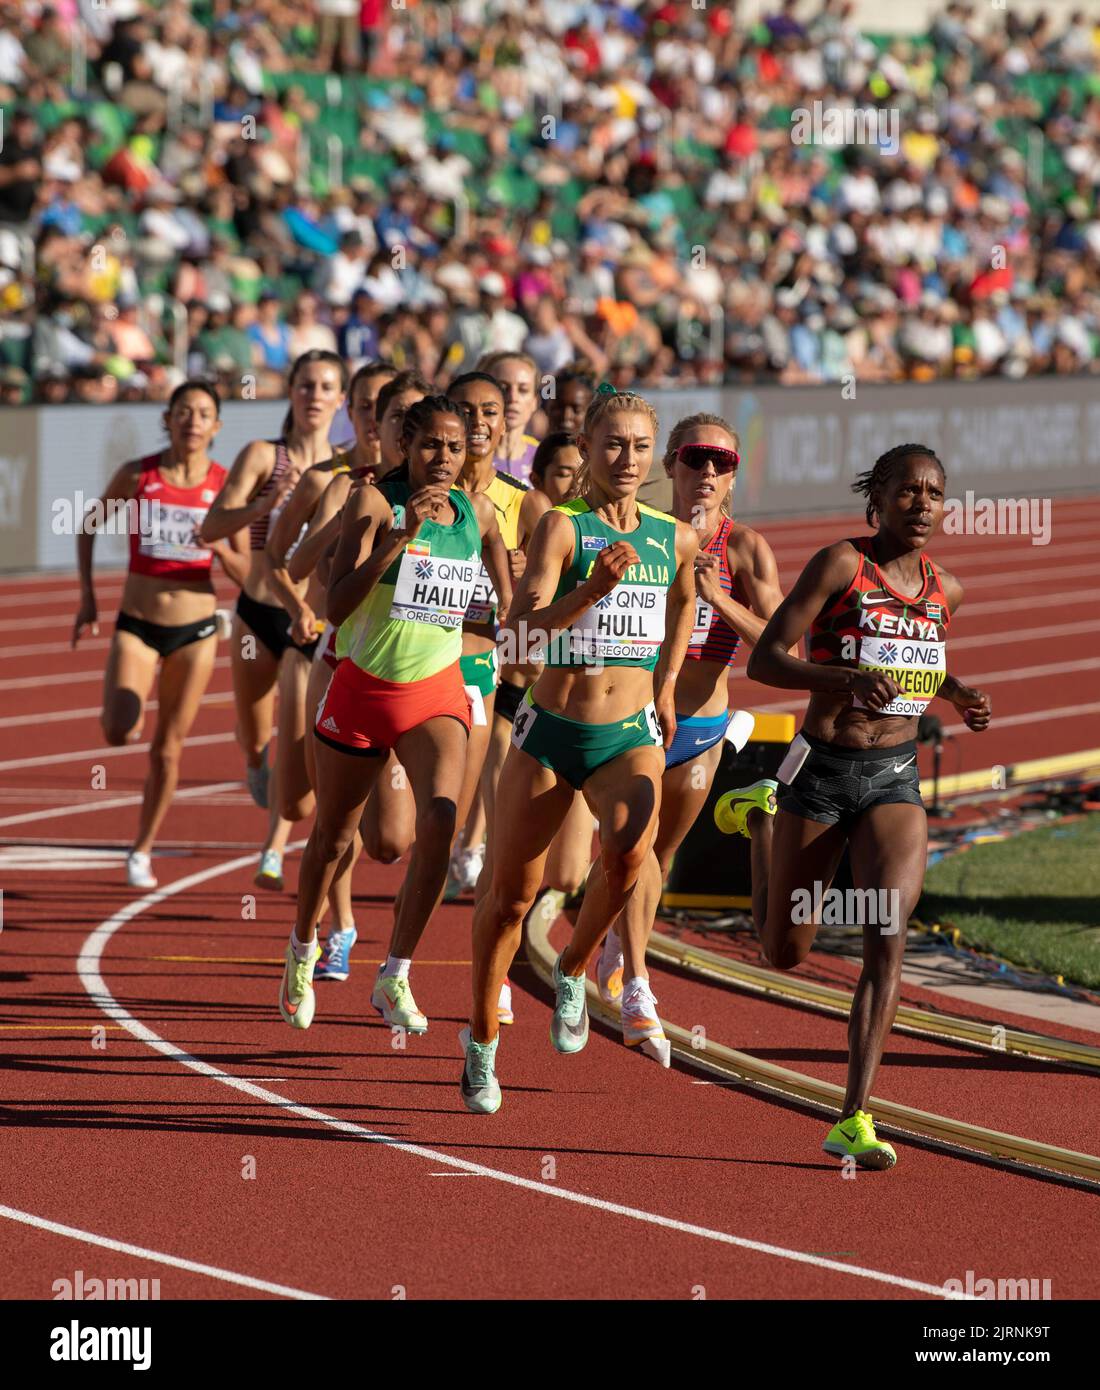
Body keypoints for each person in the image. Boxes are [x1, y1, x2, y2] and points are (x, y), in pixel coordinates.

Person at [743, 443, 992, 1169]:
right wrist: (843, 678)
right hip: (818, 771)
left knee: (888, 920)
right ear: (877, 498)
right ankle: (760, 819)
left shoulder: (949, 589)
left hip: (893, 777)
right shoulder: (841, 565)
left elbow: (923, 659)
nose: (922, 503)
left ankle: (854, 1115)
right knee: (783, 952)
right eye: (907, 490)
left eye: (934, 493)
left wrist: (958, 694)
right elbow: (765, 660)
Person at [461, 387, 697, 1113]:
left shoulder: (672, 535)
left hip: (628, 735)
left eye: (638, 446)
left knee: (630, 856)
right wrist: (593, 590)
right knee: (510, 898)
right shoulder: (564, 528)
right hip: (552, 730)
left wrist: (668, 683)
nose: (626, 459)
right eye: (613, 445)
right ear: (589, 450)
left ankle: (573, 965)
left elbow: (687, 599)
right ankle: (480, 1043)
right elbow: (518, 635)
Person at [278, 395, 511, 1035]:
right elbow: (341, 605)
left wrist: (514, 599)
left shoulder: (480, 511)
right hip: (363, 689)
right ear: (405, 444)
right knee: (333, 836)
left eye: (456, 447)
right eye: (431, 444)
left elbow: (503, 597)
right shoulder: (374, 503)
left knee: (441, 817)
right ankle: (301, 948)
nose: (443, 458)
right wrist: (398, 540)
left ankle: (395, 971)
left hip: (435, 691)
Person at [595, 413, 784, 1064]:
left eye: (722, 462)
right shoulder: (640, 535)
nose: (707, 472)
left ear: (733, 476)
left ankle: (619, 947)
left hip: (701, 723)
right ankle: (638, 987)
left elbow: (783, 649)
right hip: (632, 719)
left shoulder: (746, 549)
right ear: (670, 465)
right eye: (696, 459)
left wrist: (719, 599)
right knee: (631, 847)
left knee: (660, 855)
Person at [72, 381, 247, 887]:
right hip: (137, 624)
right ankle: (126, 717)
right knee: (119, 729)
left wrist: (215, 547)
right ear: (167, 419)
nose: (193, 421)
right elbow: (88, 527)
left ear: (216, 427)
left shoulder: (224, 485)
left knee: (168, 749)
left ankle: (141, 848)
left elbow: (245, 571)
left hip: (194, 631)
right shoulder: (139, 474)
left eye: (204, 414)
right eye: (184, 412)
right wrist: (88, 597)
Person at [199, 350, 348, 890]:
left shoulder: (347, 468)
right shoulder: (265, 456)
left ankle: (272, 849)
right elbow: (213, 526)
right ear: (291, 391)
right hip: (259, 611)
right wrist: (265, 508)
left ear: (340, 399)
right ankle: (253, 759)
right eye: (305, 385)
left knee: (296, 725)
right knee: (256, 734)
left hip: (309, 623)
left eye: (325, 386)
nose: (313, 395)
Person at [481, 350, 541, 485]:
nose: (513, 398)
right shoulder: (466, 454)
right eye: (503, 388)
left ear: (535, 402)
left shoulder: (545, 457)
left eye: (523, 390)